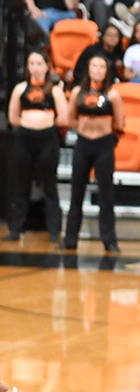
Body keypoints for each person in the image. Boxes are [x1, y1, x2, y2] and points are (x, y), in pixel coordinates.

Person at [60, 54, 124, 253]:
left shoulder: (113, 94)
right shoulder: (78, 92)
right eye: (93, 66)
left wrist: (106, 137)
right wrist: (83, 128)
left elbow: (119, 123)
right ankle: (70, 239)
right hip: (82, 145)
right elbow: (70, 119)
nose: (97, 70)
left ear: (107, 71)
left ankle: (109, 240)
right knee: (76, 193)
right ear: (88, 69)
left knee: (107, 195)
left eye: (101, 66)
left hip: (104, 146)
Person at [7, 51, 67, 241]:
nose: (35, 67)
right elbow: (13, 117)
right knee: (21, 186)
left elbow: (64, 117)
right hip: (24, 139)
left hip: (47, 139)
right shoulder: (20, 88)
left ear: (47, 66)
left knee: (50, 187)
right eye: (31, 63)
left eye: (39, 63)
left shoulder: (54, 89)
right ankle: (16, 229)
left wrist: (45, 123)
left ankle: (53, 232)